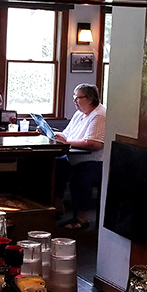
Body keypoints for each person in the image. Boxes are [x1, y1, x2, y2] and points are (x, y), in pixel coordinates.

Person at [53, 83, 106, 230]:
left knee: (80, 178)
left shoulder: (99, 115)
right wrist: (54, 134)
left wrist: (66, 142)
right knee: (56, 165)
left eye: (77, 98)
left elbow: (94, 144)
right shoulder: (80, 113)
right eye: (74, 97)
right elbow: (67, 133)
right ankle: (58, 205)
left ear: (89, 99)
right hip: (75, 158)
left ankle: (82, 218)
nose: (75, 101)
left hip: (95, 161)